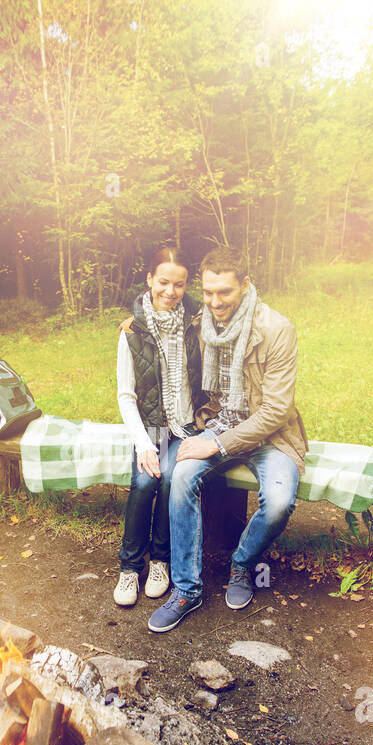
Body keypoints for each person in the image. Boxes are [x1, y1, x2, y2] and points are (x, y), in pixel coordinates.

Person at [148, 246, 308, 632]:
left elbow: (276, 412)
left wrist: (217, 445)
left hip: (270, 436)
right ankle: (187, 589)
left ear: (246, 285)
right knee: (181, 476)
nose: (215, 302)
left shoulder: (276, 329)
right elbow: (159, 317)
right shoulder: (202, 323)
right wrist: (133, 322)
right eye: (207, 292)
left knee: (280, 501)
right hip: (218, 423)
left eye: (225, 292)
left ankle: (242, 564)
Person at [114, 247, 207, 607]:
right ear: (150, 279)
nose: (170, 291)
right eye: (163, 282)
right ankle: (129, 567)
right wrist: (144, 445)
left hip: (186, 426)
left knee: (171, 479)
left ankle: (161, 562)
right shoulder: (132, 331)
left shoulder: (196, 323)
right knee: (144, 479)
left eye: (179, 284)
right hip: (150, 428)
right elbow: (126, 396)